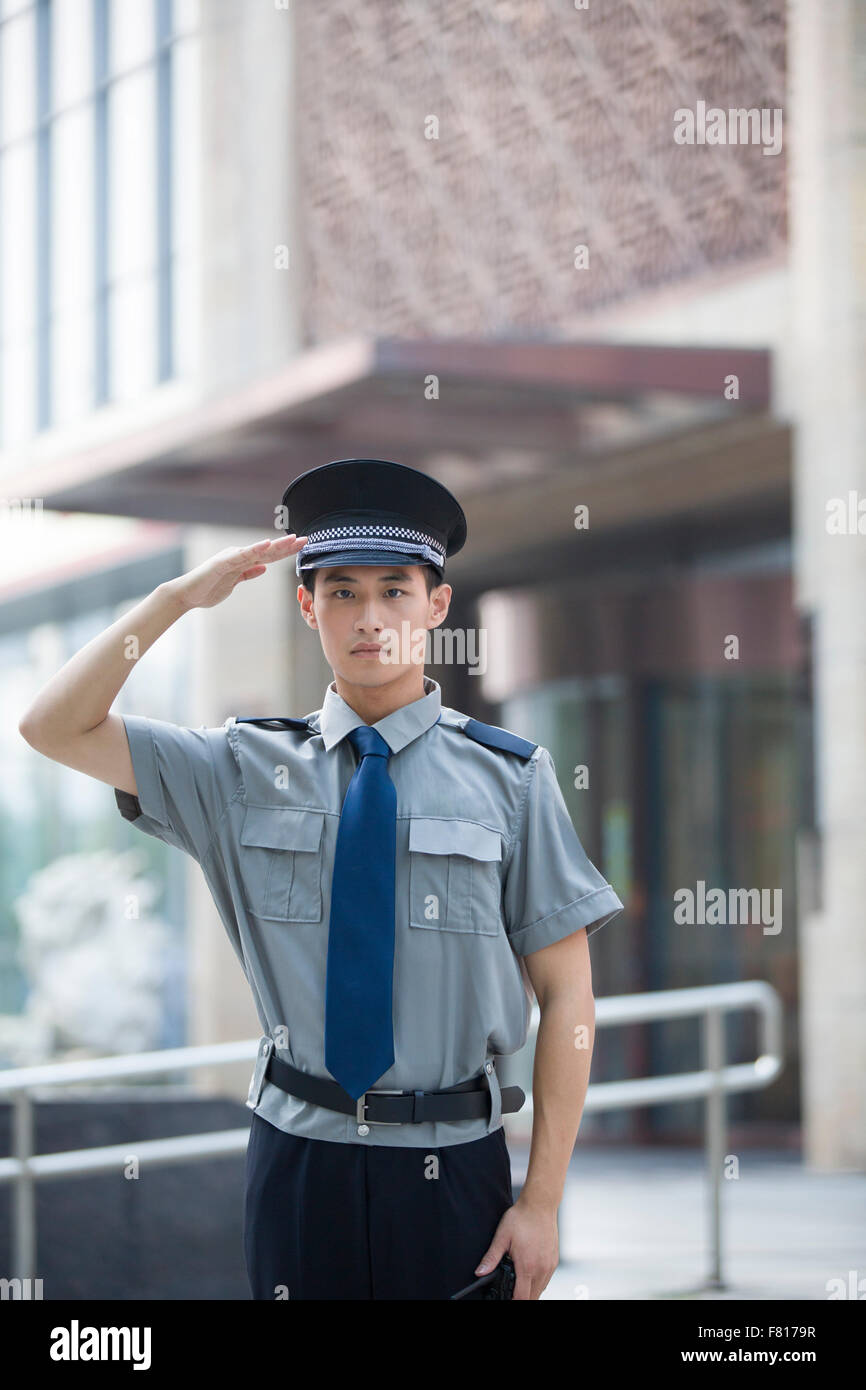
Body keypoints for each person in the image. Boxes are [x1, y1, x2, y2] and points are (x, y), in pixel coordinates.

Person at [18, 456, 624, 1301]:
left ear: (436, 605)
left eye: (394, 591)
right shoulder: (237, 767)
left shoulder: (512, 780)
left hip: (452, 1170)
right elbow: (51, 724)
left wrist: (544, 1201)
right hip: (298, 1161)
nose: (368, 617)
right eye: (341, 592)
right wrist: (172, 602)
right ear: (307, 605)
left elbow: (568, 998)